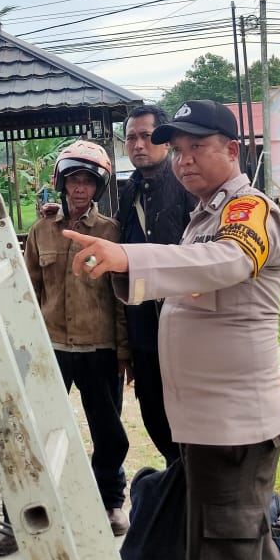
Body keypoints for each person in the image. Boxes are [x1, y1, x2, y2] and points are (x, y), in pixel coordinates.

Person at [65, 100, 280, 560]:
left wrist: (129, 256)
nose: (184, 160)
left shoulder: (248, 209)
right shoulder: (202, 215)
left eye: (198, 147)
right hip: (204, 424)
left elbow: (228, 260)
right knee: (232, 552)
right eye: (179, 150)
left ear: (232, 150)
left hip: (233, 428)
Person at [0, 139, 131, 556]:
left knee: (109, 434)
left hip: (99, 349)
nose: (80, 187)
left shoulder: (110, 233)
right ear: (62, 183)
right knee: (29, 431)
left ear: (98, 187)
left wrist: (124, 350)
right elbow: (29, 290)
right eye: (73, 180)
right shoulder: (41, 230)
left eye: (88, 181)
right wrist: (22, 342)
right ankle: (18, 516)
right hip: (50, 348)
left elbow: (120, 299)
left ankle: (110, 503)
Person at [116, 105, 197, 465]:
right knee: (152, 409)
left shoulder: (186, 186)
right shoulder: (129, 192)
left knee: (189, 414)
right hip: (143, 327)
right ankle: (177, 479)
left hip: (184, 324)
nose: (138, 145)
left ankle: (191, 483)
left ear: (164, 140)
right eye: (131, 137)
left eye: (146, 136)